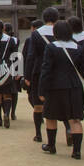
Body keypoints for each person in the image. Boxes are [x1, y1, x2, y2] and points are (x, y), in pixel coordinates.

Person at [38, 18, 84, 156]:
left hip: (55, 88)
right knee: (75, 119)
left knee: (50, 117)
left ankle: (51, 145)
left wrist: (42, 90)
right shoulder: (78, 47)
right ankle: (77, 151)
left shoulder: (51, 47)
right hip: (74, 87)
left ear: (56, 33)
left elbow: (46, 70)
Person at [24, 9, 58, 144]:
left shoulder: (36, 34)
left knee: (38, 105)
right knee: (59, 102)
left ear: (44, 18)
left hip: (39, 71)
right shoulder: (61, 31)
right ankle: (68, 129)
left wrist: (27, 75)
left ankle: (38, 134)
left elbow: (31, 56)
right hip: (58, 71)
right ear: (57, 18)